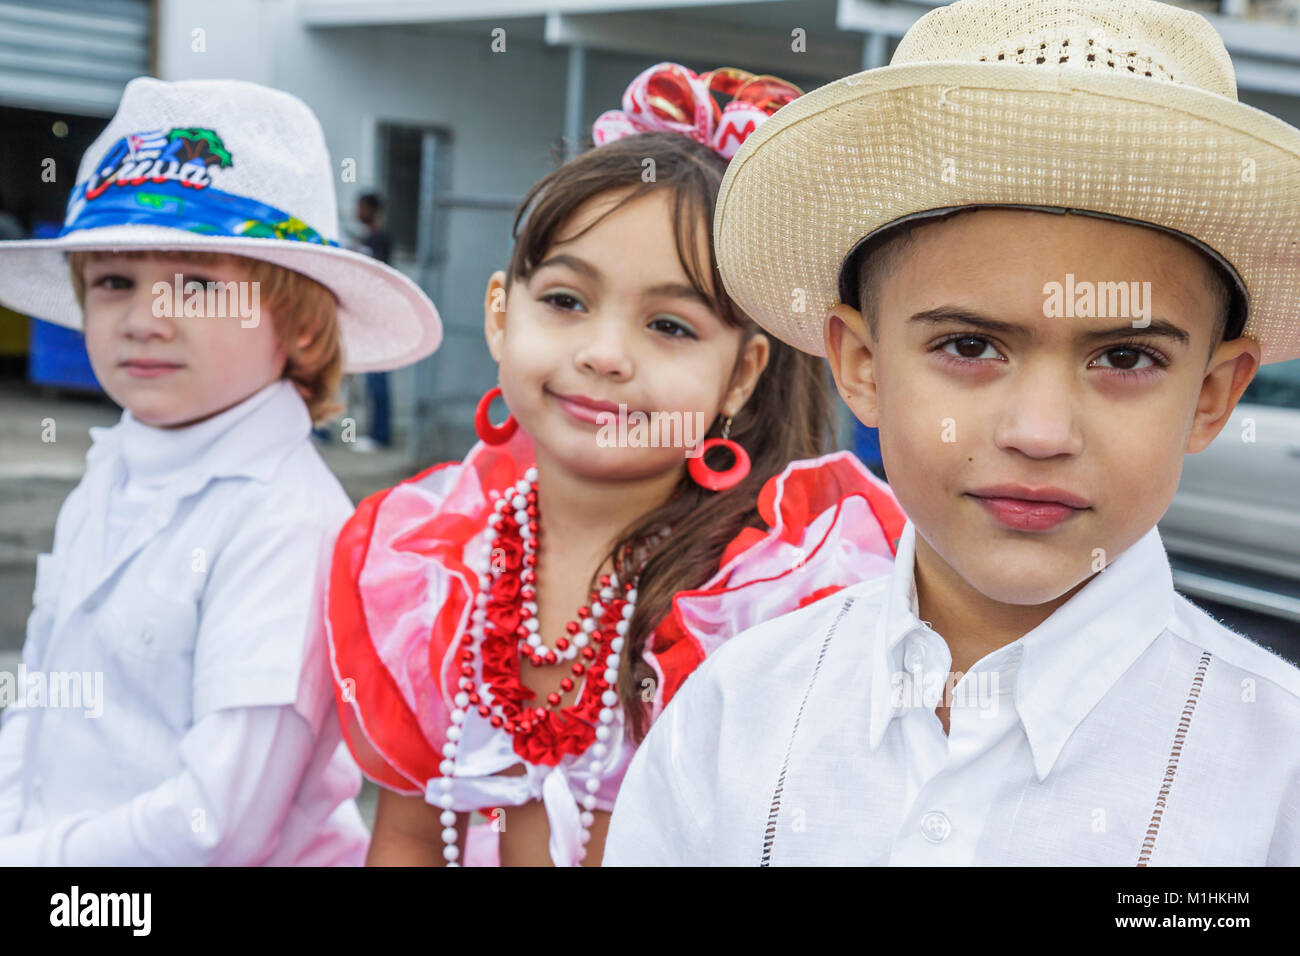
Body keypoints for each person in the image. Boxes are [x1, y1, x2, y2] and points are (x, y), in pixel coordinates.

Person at [604, 0, 1300, 866]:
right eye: (969, 346)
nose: (1040, 432)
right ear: (860, 364)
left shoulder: (1276, 773)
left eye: (1123, 357)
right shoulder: (733, 716)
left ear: (1213, 395)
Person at [325, 62, 907, 866]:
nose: (603, 355)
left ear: (742, 373)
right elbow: (409, 838)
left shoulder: (780, 600)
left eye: (668, 326)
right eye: (565, 301)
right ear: (500, 314)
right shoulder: (426, 564)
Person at [0, 76, 442, 863]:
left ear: (304, 329)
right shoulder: (111, 472)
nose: (144, 317)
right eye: (114, 282)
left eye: (198, 285)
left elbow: (215, 824)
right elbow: (35, 706)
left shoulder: (284, 520)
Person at [351, 192, 393, 451]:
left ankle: (380, 435)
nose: (358, 211)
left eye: (362, 207)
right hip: (367, 313)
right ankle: (375, 433)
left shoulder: (379, 239)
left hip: (377, 314)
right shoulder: (366, 238)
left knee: (378, 376)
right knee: (370, 378)